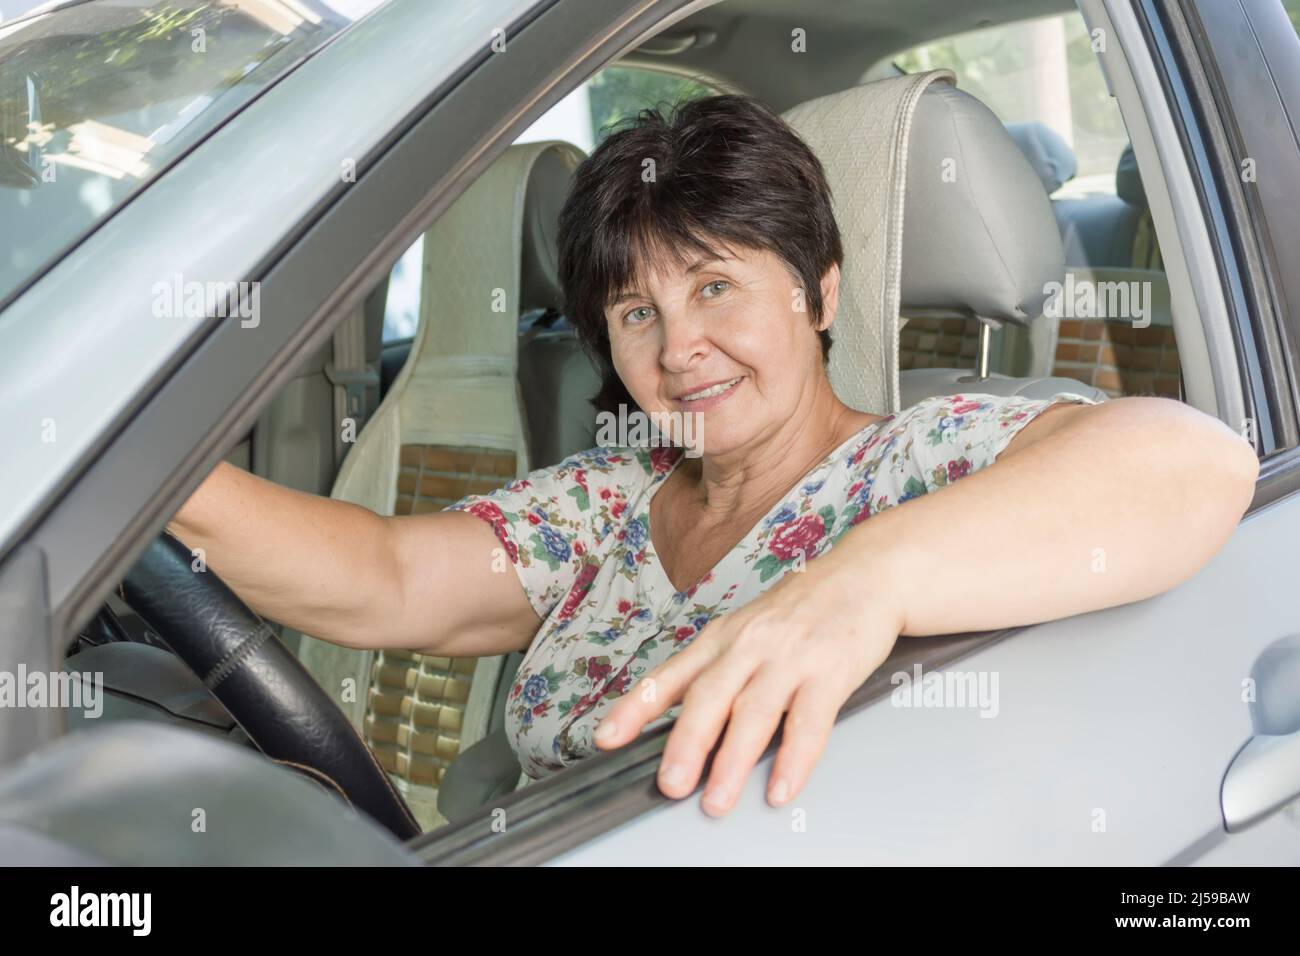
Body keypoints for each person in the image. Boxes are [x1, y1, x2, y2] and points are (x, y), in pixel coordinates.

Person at [169, 95, 1258, 817]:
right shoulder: (610, 495)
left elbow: (1191, 460)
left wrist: (857, 585)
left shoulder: (915, 465)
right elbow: (383, 575)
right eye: (634, 310)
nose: (679, 347)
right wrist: (153, 489)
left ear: (817, 289)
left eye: (714, 287)